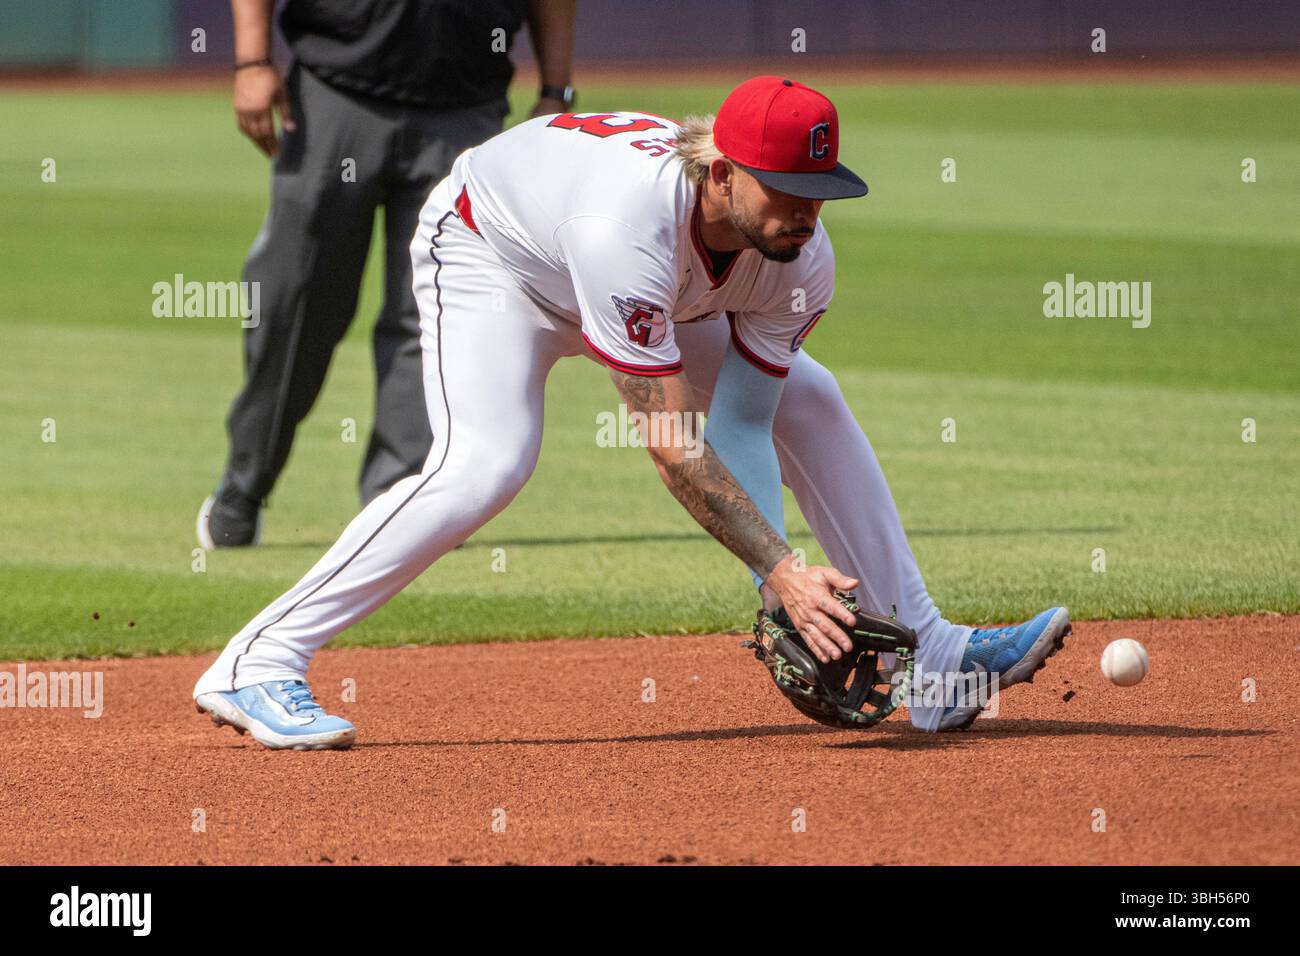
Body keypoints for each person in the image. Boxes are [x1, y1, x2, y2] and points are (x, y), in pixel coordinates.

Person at [193, 76, 1070, 749]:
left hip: (643, 288)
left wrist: (783, 583)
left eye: (820, 188)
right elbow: (672, 441)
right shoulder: (630, 223)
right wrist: (780, 576)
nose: (807, 210)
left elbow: (744, 421)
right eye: (785, 187)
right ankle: (257, 662)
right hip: (495, 259)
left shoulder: (799, 256)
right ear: (723, 172)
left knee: (810, 393)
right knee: (487, 464)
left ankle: (936, 659)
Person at [198, 0, 577, 547]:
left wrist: (557, 89)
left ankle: (398, 506)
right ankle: (245, 483)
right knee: (295, 301)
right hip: (336, 88)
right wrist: (251, 60)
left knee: (435, 312)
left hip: (465, 105)